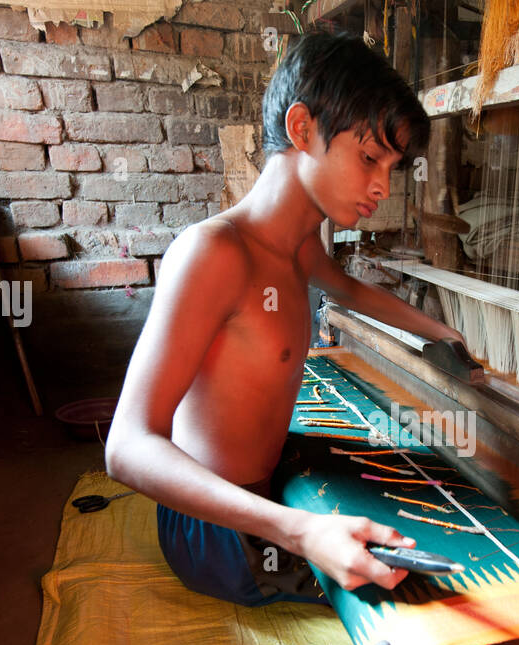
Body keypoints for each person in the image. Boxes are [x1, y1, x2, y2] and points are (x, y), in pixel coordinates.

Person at [105, 31, 465, 608]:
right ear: (302, 130)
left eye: (393, 167)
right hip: (220, 532)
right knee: (432, 589)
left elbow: (347, 288)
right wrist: (301, 530)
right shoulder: (216, 253)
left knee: (424, 488)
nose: (382, 187)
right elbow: (125, 446)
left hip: (266, 491)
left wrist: (443, 335)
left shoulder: (298, 246)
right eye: (370, 158)